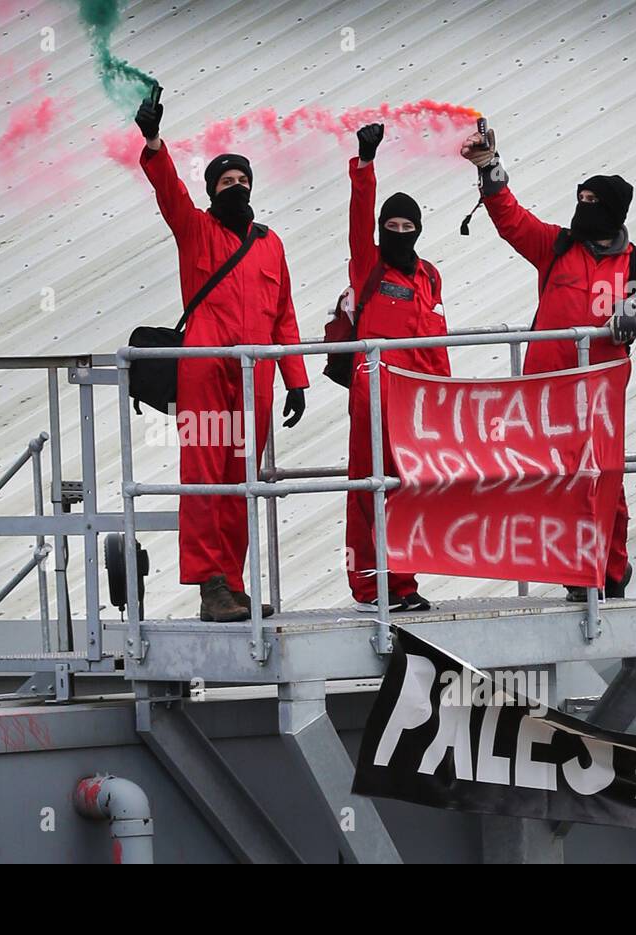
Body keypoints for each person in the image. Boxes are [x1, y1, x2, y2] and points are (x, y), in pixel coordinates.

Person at [461, 123, 636, 600]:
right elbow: (512, 220)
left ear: (612, 211)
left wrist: (634, 309)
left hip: (599, 399)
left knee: (607, 483)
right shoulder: (556, 246)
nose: (583, 207)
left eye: (593, 201)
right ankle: (577, 574)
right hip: (547, 397)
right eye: (581, 199)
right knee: (557, 484)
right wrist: (489, 168)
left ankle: (610, 573)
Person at [134, 91, 310, 623]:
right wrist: (154, 141)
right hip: (206, 371)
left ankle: (232, 584)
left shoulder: (270, 243)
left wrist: (295, 379)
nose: (237, 187)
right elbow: (169, 192)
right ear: (212, 190)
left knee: (241, 484)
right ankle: (210, 585)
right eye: (226, 181)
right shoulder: (196, 230)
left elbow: (284, 314)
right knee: (205, 479)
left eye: (242, 180)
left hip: (255, 379)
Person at [344, 123, 451, 612]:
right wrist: (365, 164)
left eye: (409, 229)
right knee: (370, 488)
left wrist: (447, 399)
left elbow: (437, 345)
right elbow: (359, 216)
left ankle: (403, 583)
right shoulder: (368, 265)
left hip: (419, 401)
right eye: (393, 227)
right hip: (375, 392)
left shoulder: (430, 275)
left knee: (410, 488)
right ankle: (371, 587)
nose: (400, 235)